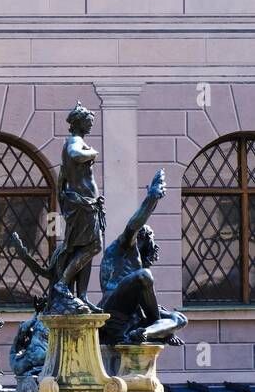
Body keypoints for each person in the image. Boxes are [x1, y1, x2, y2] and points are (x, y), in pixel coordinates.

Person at [98, 169, 187, 346]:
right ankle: (156, 325)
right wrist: (152, 198)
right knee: (144, 276)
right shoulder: (123, 246)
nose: (137, 242)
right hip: (112, 309)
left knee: (180, 318)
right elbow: (133, 225)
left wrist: (167, 327)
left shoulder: (139, 264)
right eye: (139, 238)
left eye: (142, 241)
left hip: (133, 316)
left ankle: (146, 332)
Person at [49, 103, 103, 312]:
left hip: (86, 203)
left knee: (84, 249)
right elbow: (76, 154)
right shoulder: (74, 141)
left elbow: (62, 176)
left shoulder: (77, 141)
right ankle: (63, 283)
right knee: (93, 246)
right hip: (83, 204)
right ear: (80, 121)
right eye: (89, 120)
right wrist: (92, 152)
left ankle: (82, 295)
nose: (92, 124)